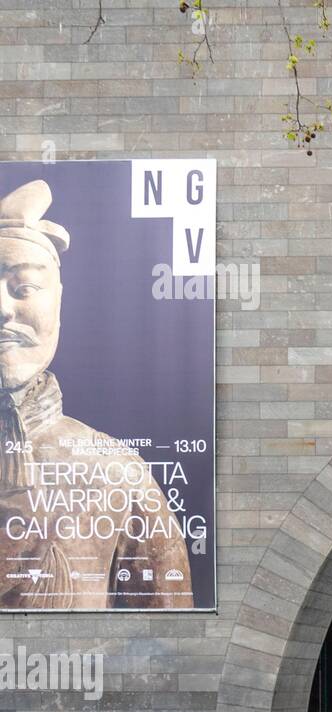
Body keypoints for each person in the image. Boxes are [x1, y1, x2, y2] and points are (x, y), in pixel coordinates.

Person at [0, 180, 192, 608]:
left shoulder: (119, 475)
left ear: (59, 303)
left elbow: (166, 649)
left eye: (23, 288)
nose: (2, 307)